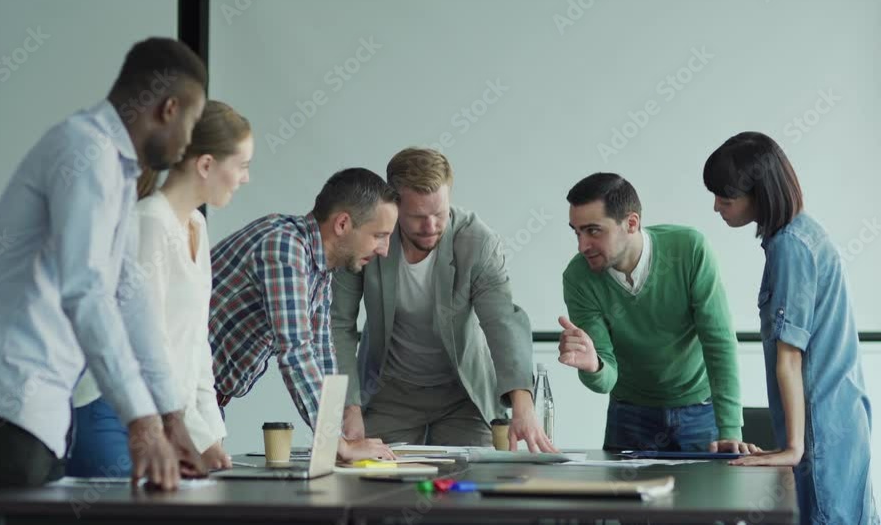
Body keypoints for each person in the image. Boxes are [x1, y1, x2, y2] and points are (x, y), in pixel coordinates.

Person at [0, 37, 209, 492]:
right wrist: (143, 423)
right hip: (3, 403)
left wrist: (170, 416)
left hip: (39, 408)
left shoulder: (116, 170)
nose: (188, 142)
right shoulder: (85, 152)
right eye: (192, 123)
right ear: (169, 109)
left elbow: (130, 295)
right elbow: (87, 290)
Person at [67, 100, 253, 476]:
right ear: (206, 165)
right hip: (116, 415)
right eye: (242, 165)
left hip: (165, 418)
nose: (245, 178)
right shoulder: (149, 222)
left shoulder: (197, 224)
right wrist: (193, 433)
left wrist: (212, 435)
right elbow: (151, 345)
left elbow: (196, 343)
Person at [705, 131, 878, 525]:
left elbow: (790, 357)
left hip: (822, 431)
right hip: (838, 425)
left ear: (759, 195)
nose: (716, 207)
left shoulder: (790, 247)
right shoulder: (804, 233)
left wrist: (793, 449)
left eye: (725, 198)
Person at [333, 148, 553, 452]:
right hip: (389, 390)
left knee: (476, 476)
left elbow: (501, 320)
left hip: (462, 392)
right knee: (374, 474)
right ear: (394, 206)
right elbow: (338, 324)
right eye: (417, 217)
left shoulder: (478, 242)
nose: (431, 226)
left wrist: (523, 404)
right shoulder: (367, 237)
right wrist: (349, 407)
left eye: (439, 214)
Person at [208, 168, 398, 461]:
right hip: (178, 399)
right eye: (379, 236)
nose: (384, 250)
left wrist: (339, 435)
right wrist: (336, 443)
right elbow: (296, 351)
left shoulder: (320, 268)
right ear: (343, 224)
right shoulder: (285, 247)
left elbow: (322, 353)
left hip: (206, 403)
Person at [558, 173, 748, 452]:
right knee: (620, 484)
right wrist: (594, 365)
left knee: (711, 483)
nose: (582, 245)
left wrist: (730, 429)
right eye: (577, 232)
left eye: (593, 231)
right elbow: (606, 378)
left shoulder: (689, 249)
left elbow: (718, 341)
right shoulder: (578, 277)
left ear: (631, 223)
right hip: (630, 414)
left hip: (700, 409)